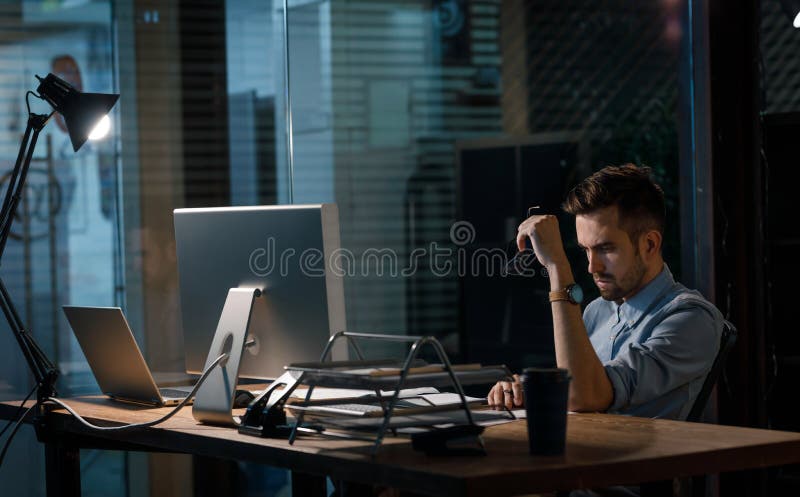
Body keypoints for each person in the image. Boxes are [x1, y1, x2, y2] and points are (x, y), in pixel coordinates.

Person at [488, 164, 723, 420]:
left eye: (605, 249)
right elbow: (574, 388)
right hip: (586, 451)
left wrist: (557, 266)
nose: (592, 267)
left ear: (649, 244)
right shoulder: (596, 311)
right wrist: (525, 389)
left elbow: (583, 395)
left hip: (642, 458)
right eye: (585, 250)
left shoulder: (692, 319)